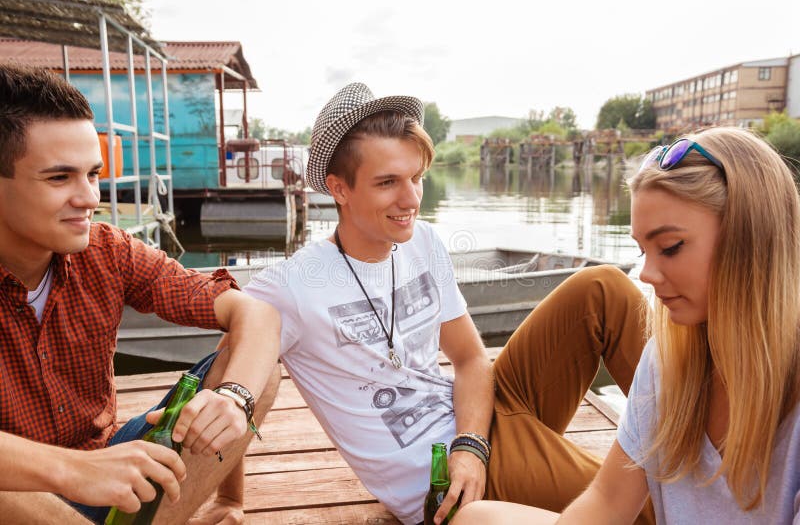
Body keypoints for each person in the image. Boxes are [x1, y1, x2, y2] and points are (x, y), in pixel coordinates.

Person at [241, 82, 655, 524]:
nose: (411, 199)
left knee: (602, 288)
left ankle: (698, 437)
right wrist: (231, 498)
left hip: (476, 422)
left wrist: (471, 443)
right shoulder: (294, 285)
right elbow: (229, 373)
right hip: (450, 482)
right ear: (338, 189)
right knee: (645, 504)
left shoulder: (424, 242)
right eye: (388, 183)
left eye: (416, 178)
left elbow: (471, 358)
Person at [452, 127, 800, 524]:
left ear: (749, 239)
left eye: (670, 247)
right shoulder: (668, 359)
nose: (647, 274)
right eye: (642, 250)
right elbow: (607, 503)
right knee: (475, 518)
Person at [0, 64, 282, 525]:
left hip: (108, 464)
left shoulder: (107, 250)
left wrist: (233, 399)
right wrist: (73, 470)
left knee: (253, 367)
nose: (90, 197)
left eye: (93, 174)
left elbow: (255, 315)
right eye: (59, 178)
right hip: (20, 489)